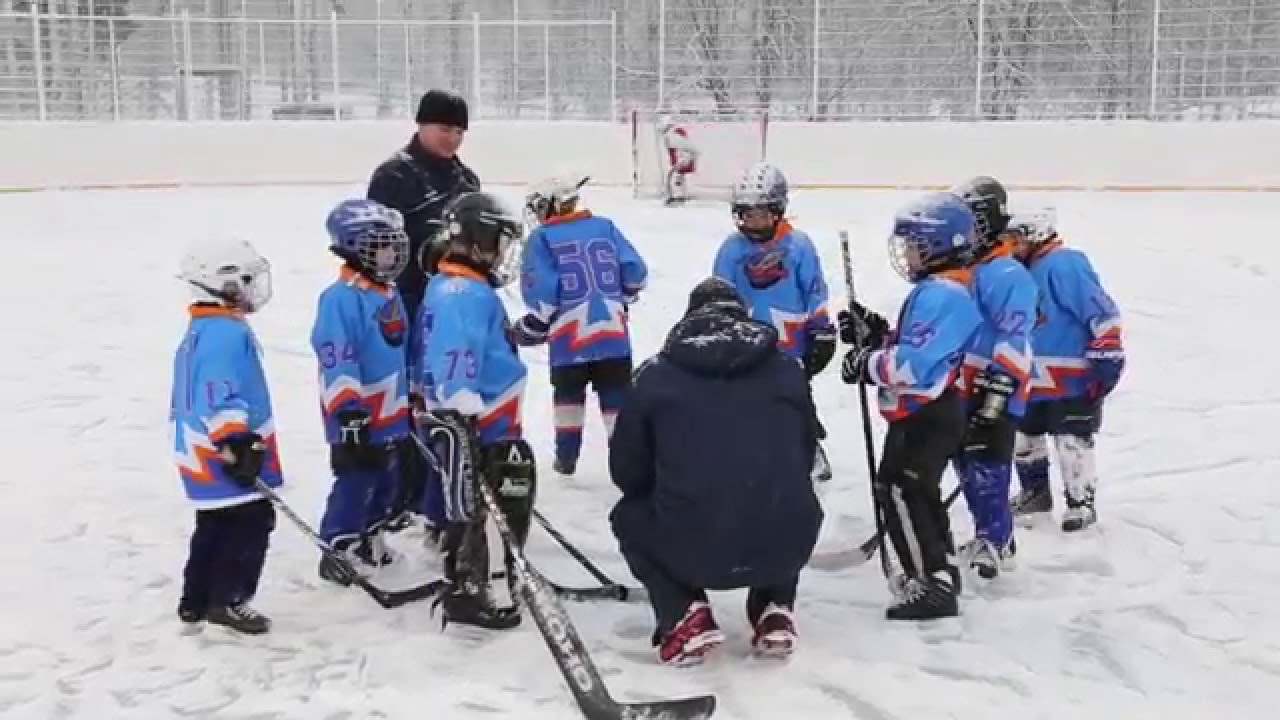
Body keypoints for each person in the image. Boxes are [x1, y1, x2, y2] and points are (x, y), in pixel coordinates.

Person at [609, 277, 824, 665]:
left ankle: (683, 613)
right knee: (784, 490)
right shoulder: (788, 372)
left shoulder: (655, 376)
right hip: (786, 543)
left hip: (692, 543)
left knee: (628, 517)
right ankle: (775, 605)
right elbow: (806, 454)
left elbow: (627, 472)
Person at [837, 192, 983, 621]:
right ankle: (940, 570)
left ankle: (931, 581)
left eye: (915, 245)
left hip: (928, 414)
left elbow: (914, 366)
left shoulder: (944, 295)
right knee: (917, 491)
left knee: (902, 489)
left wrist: (868, 364)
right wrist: (876, 334)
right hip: (929, 412)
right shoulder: (939, 292)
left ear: (939, 246)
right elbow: (916, 348)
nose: (907, 254)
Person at [414, 191, 537, 630]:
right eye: (499, 241)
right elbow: (455, 352)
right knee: (491, 505)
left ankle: (480, 578)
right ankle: (474, 590)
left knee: (489, 504)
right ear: (477, 239)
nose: (504, 253)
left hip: (486, 418)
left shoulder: (457, 285)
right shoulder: (461, 292)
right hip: (480, 421)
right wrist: (460, 404)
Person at [368, 90, 480, 530]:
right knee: (406, 396)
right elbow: (376, 244)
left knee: (444, 395)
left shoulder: (467, 179)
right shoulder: (395, 175)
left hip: (453, 301)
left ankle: (443, 484)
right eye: (444, 128)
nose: (452, 138)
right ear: (421, 125)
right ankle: (402, 492)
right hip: (409, 297)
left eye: (459, 130)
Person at [170, 237, 281, 635]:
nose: (253, 287)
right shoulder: (223, 333)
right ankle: (229, 599)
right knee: (250, 522)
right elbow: (218, 391)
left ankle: (196, 598)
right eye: (246, 279)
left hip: (200, 448)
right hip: (222, 450)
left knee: (215, 524)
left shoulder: (206, 326)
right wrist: (236, 440)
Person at [511, 175, 649, 477]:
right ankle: (627, 460)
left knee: (568, 396)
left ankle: (567, 457)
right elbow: (635, 272)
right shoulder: (605, 227)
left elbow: (544, 291)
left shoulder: (543, 238)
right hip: (613, 332)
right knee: (616, 395)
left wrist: (534, 325)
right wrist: (617, 298)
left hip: (569, 337)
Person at [712, 162, 837, 483]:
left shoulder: (799, 246)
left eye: (762, 214)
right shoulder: (731, 249)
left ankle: (809, 448)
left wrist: (821, 329)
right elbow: (720, 292)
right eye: (746, 214)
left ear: (779, 210)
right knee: (745, 401)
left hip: (790, 344)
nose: (753, 222)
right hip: (746, 342)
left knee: (794, 399)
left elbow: (814, 290)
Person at [311, 199, 412, 586]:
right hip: (356, 416)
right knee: (355, 479)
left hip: (390, 412)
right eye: (380, 245)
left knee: (387, 479)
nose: (390, 253)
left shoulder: (387, 292)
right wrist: (347, 410)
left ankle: (372, 536)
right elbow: (337, 357)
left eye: (393, 244)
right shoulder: (341, 298)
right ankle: (338, 545)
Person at [1004, 208, 1125, 533]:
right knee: (1024, 436)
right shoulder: (1022, 271)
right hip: (1031, 377)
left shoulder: (1064, 263)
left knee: (1071, 439)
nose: (1009, 248)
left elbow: (1102, 311)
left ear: (1035, 236)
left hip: (1071, 378)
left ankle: (1080, 502)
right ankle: (1035, 493)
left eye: (1015, 241)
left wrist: (1107, 350)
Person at [949, 176, 1038, 579]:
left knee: (989, 463)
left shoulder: (1006, 273)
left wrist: (1000, 385)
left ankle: (997, 540)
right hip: (964, 384)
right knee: (965, 461)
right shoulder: (966, 269)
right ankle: (988, 532)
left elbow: (1014, 333)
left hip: (997, 387)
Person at [657, 114, 697, 206]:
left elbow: (683, 146)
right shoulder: (670, 134)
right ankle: (679, 196)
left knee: (677, 178)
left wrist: (682, 160)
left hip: (681, 160)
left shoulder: (676, 132)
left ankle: (678, 197)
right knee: (678, 178)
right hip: (679, 161)